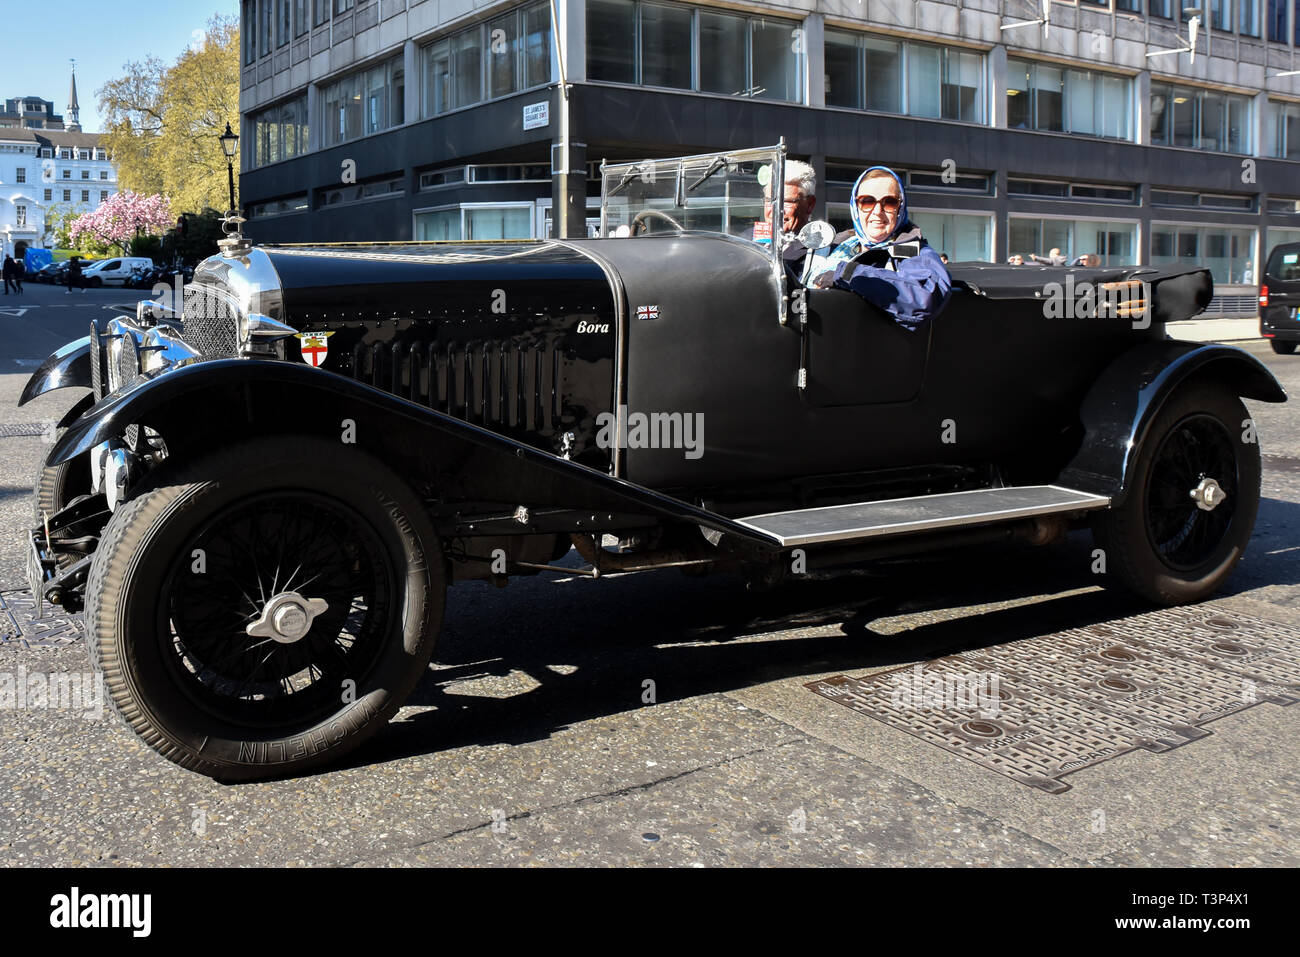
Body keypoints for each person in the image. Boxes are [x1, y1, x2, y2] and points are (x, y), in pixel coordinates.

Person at [807, 166, 952, 331]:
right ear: (855, 206)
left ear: (900, 207)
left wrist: (848, 274)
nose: (877, 211)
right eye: (867, 201)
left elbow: (923, 299)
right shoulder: (831, 244)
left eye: (889, 202)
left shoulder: (916, 252)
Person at [762, 159, 818, 276]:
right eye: (769, 200)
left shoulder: (819, 250)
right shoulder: (746, 240)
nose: (776, 209)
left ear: (809, 205)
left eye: (786, 201)